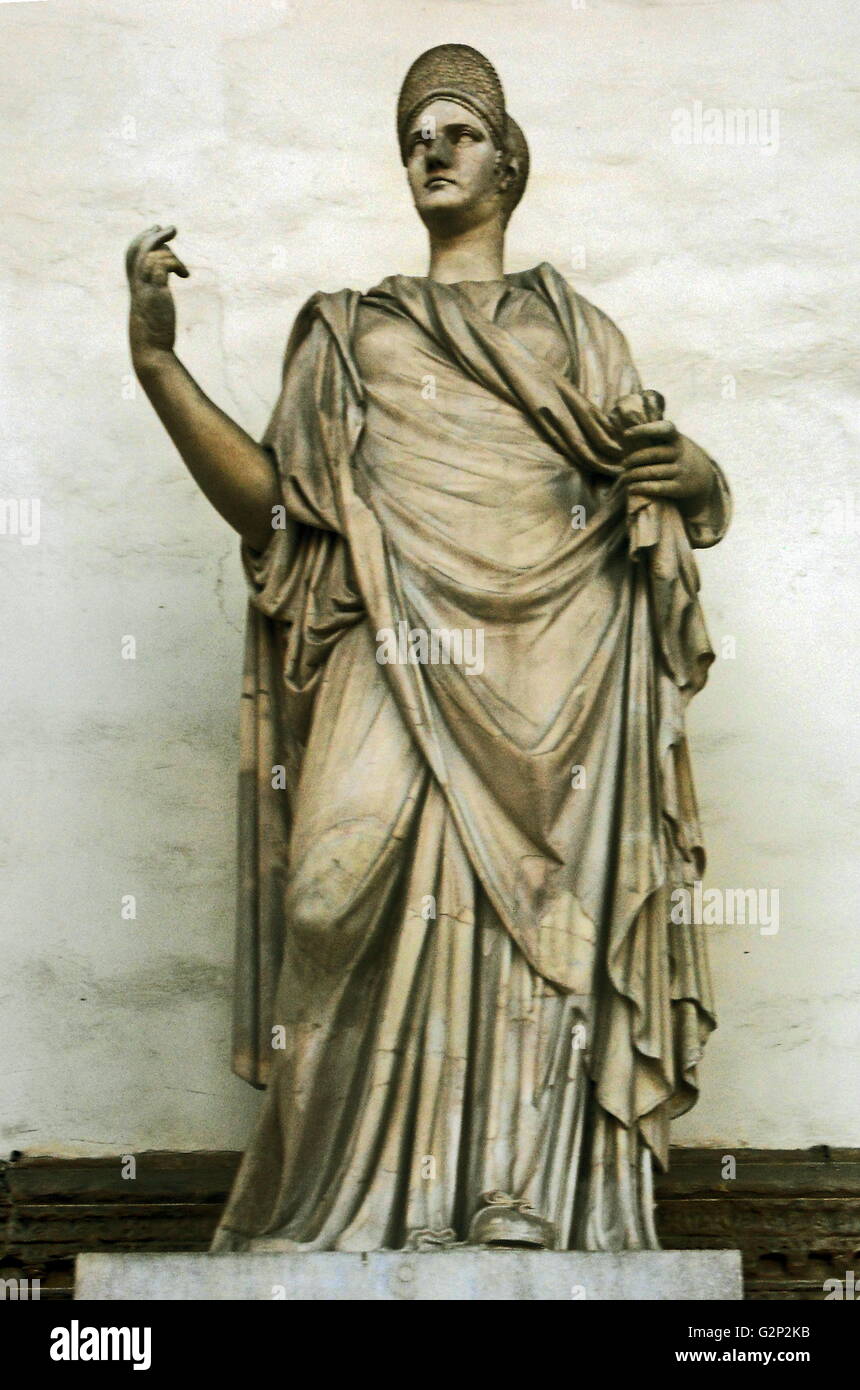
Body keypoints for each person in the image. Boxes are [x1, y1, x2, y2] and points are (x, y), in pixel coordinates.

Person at [126, 44, 730, 1253]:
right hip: (389, 646)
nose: (429, 151)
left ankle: (519, 1190)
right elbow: (281, 513)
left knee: (544, 914)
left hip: (560, 654)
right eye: (413, 136)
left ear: (508, 161)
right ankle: (331, 1204)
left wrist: (700, 478)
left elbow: (649, 485)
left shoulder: (576, 332)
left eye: (455, 132)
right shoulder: (351, 334)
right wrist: (156, 361)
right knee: (329, 890)